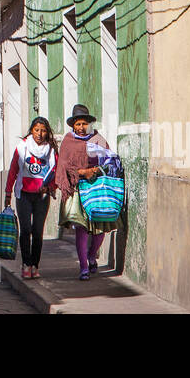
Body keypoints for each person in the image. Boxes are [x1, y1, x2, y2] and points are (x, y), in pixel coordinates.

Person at [58, 104, 118, 280]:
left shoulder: (97, 139)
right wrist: (81, 172)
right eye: (78, 124)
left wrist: (96, 170)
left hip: (97, 188)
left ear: (89, 124)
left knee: (100, 227)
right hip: (77, 189)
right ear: (73, 125)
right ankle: (83, 267)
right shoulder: (68, 141)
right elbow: (63, 166)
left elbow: (111, 160)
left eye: (84, 124)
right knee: (81, 228)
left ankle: (92, 255)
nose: (81, 127)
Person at [4, 116, 59, 280]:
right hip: (24, 195)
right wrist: (8, 193)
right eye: (37, 130)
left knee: (37, 231)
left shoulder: (51, 150)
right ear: (31, 131)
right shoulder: (22, 147)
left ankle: (35, 265)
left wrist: (50, 187)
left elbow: (56, 172)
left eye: (43, 131)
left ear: (47, 132)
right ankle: (26, 264)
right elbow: (13, 170)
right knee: (26, 229)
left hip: (42, 196)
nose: (40, 134)